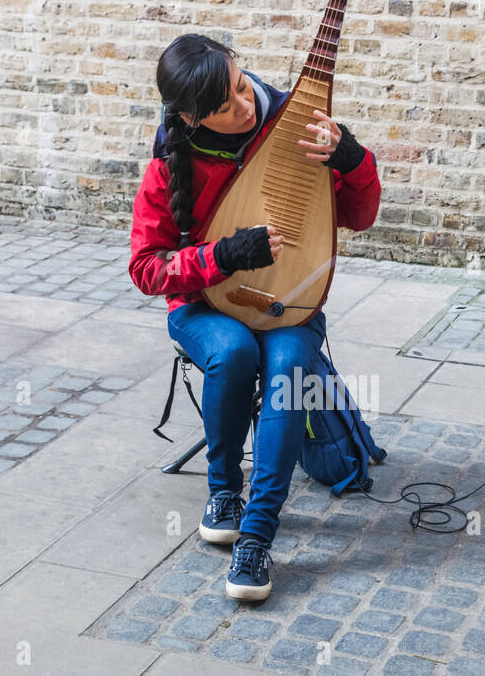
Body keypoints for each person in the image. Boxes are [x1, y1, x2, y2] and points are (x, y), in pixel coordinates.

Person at [129, 33, 381, 602]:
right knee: (235, 351)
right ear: (190, 117)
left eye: (243, 87)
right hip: (203, 305)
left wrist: (353, 160)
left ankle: (258, 536)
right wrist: (222, 255)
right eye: (224, 107)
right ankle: (224, 491)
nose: (244, 108)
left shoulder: (291, 126)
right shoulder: (173, 163)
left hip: (290, 299)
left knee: (290, 366)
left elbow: (359, 217)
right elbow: (146, 268)